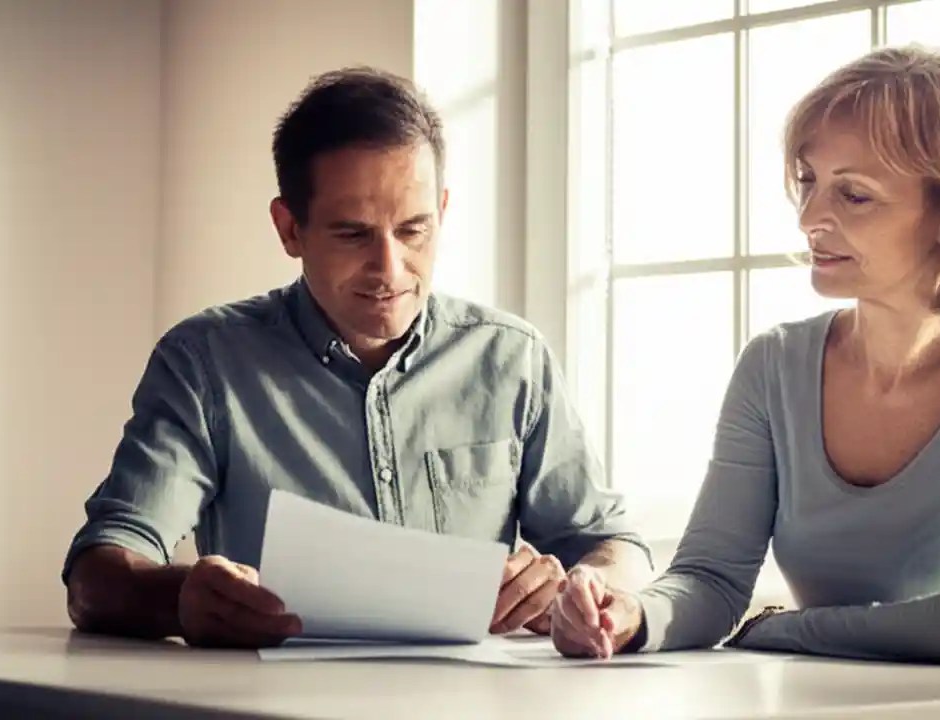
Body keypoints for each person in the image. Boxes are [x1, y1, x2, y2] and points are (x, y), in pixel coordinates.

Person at [549, 46, 940, 668]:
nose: (810, 217)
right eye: (809, 182)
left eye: (855, 195)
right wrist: (632, 616)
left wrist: (787, 629)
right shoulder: (773, 366)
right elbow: (712, 579)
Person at [64, 67, 652, 648]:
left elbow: (613, 546)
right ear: (289, 228)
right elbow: (97, 578)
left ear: (442, 212)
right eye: (353, 234)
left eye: (414, 230)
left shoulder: (513, 358)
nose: (390, 270)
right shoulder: (205, 362)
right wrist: (178, 596)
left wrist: (591, 588)